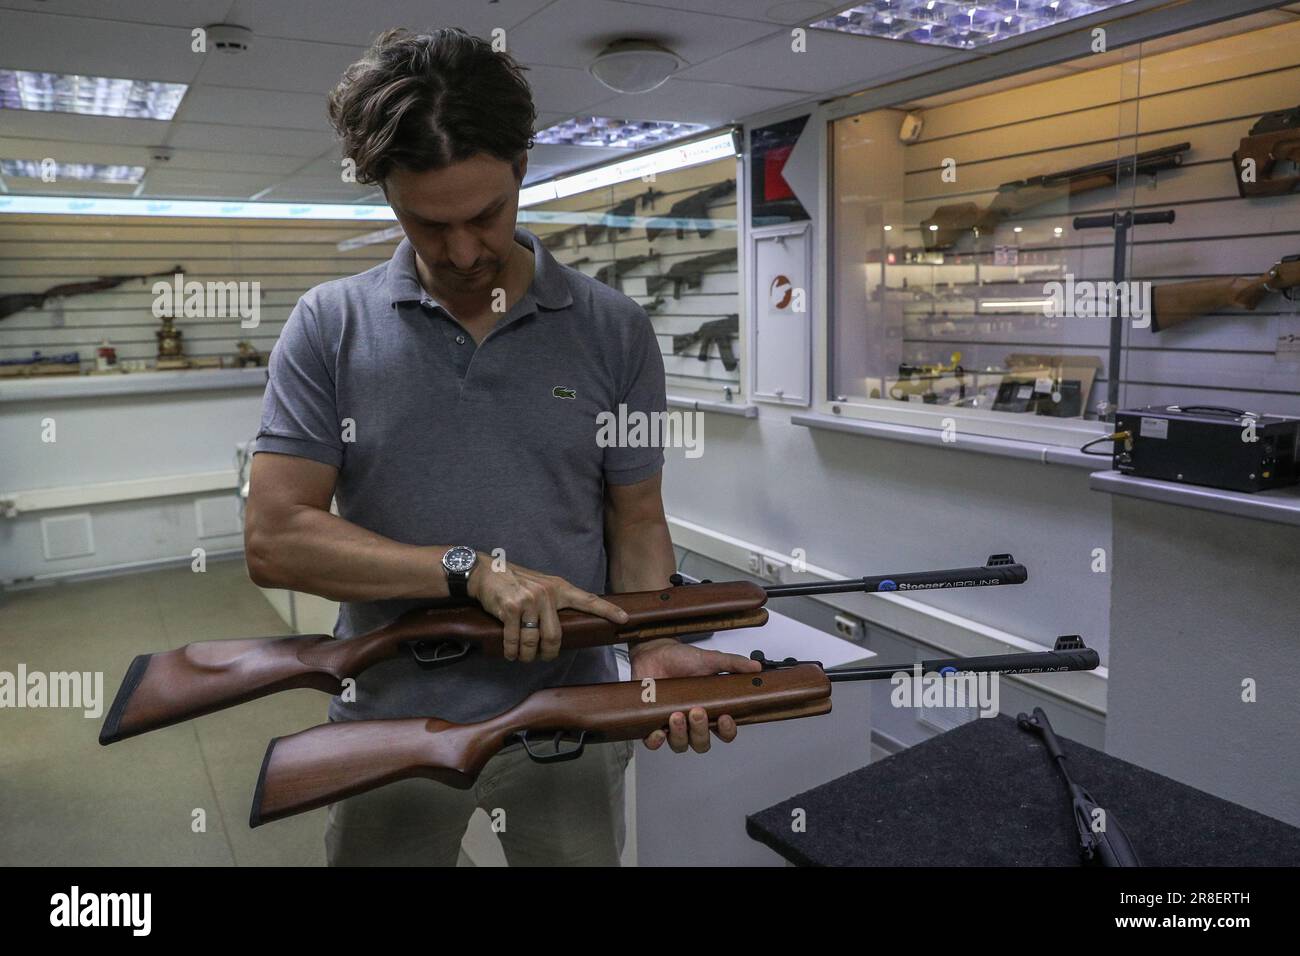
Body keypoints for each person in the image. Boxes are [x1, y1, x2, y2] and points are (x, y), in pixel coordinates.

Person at [243, 26, 759, 866]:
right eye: (424, 221)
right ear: (385, 193)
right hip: (389, 724)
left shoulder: (615, 332)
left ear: (524, 166)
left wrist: (654, 643)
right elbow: (274, 536)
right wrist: (471, 571)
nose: (460, 251)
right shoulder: (328, 326)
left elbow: (636, 520)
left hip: (571, 720)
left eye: (485, 214)